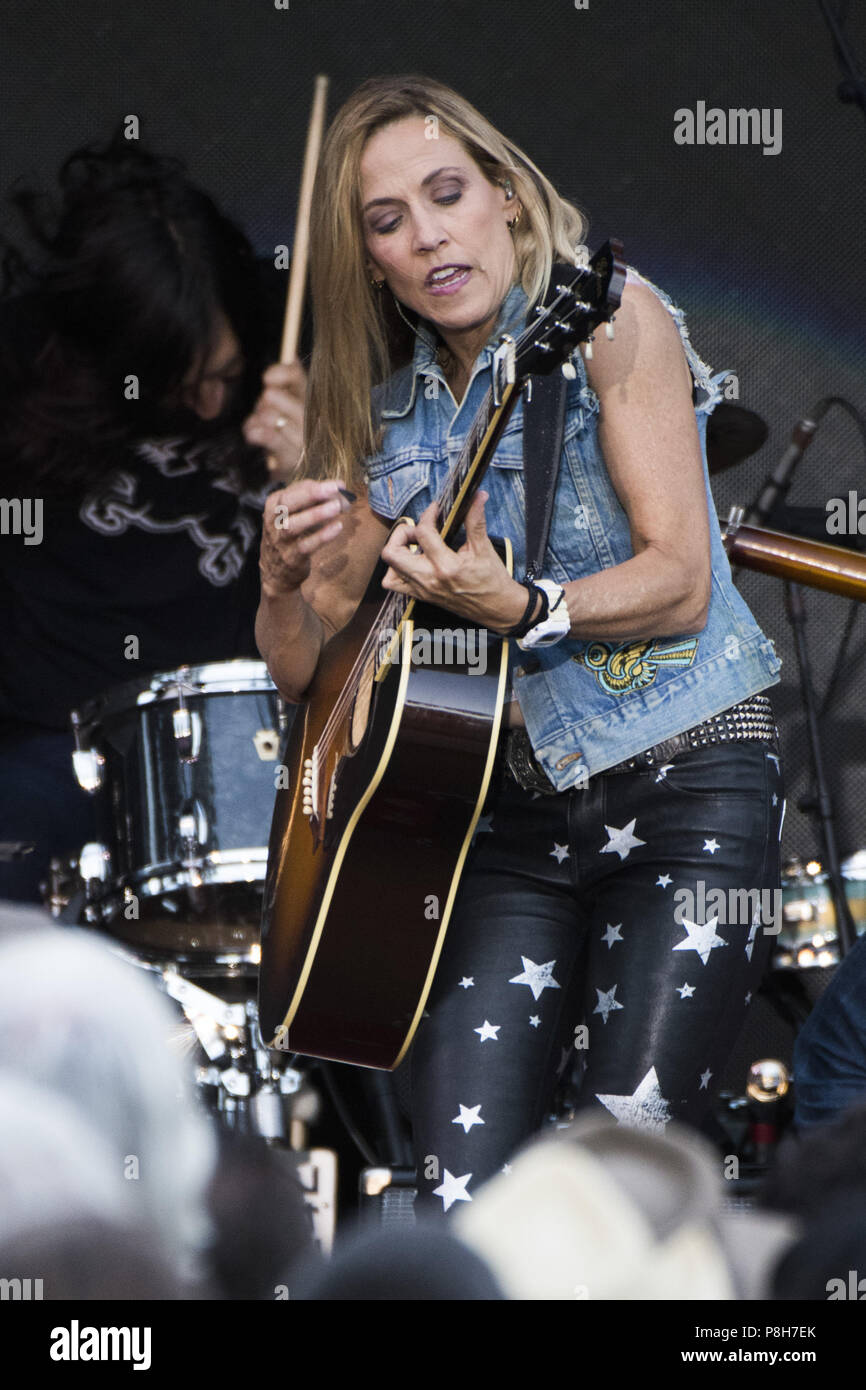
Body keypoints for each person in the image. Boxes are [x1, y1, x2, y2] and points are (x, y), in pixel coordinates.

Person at [256, 75, 785, 1218]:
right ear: (368, 257)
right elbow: (311, 675)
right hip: (495, 825)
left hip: (683, 777)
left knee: (622, 1179)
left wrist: (525, 605)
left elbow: (681, 581)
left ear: (504, 194)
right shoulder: (379, 413)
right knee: (460, 1199)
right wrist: (278, 583)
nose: (427, 233)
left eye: (445, 193)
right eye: (386, 220)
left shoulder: (604, 317)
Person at [0, 136, 305, 902]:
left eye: (225, 379)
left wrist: (314, 471)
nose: (211, 406)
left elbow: (375, 571)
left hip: (240, 731)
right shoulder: (24, 361)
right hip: (56, 742)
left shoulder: (289, 332)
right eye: (180, 385)